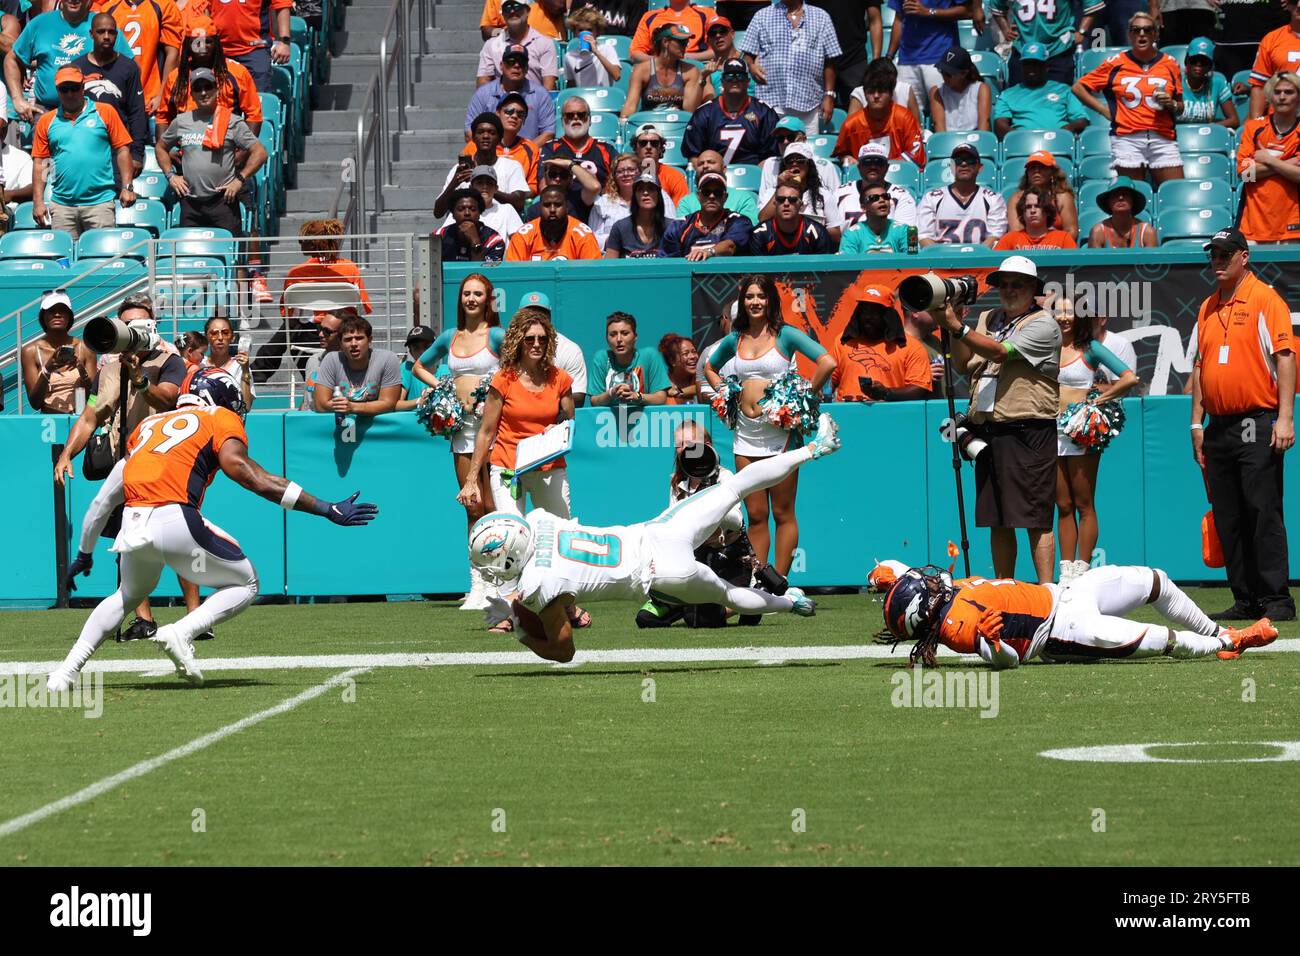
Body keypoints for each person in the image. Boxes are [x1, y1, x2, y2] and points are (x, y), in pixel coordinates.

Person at [50, 369, 378, 692]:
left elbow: (101, 503)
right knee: (247, 582)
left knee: (126, 596)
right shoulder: (218, 417)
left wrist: (84, 553)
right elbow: (250, 476)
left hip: (133, 522)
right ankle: (181, 631)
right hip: (175, 518)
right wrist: (324, 508)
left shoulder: (147, 426)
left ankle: (64, 673)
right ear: (221, 397)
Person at [469, 414, 840, 662]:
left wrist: (518, 623)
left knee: (727, 596)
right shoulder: (538, 519)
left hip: (661, 572)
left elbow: (564, 651)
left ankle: (791, 604)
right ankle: (814, 448)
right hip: (657, 532)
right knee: (737, 485)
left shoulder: (538, 582)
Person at [53, 297, 190, 644]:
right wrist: (68, 453)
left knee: (178, 538)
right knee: (128, 540)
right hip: (126, 463)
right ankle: (144, 620)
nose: (130, 331)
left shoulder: (170, 360)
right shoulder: (110, 368)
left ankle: (195, 615)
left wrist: (141, 378)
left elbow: (169, 400)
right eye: (124, 325)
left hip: (165, 460)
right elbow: (92, 413)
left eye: (137, 324)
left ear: (151, 326)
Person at [931, 255, 1061, 584]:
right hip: (989, 428)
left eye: (1018, 284)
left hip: (1027, 429)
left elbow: (1001, 353)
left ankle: (1048, 593)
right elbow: (964, 364)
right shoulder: (989, 318)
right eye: (1003, 284)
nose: (1009, 290)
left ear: (1034, 288)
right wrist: (953, 327)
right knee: (998, 517)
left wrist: (960, 327)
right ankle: (1004, 588)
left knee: (1035, 517)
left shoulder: (1043, 323)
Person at [880, 563, 1278, 670]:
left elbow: (901, 573)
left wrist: (881, 575)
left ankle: (1217, 632)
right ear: (925, 609)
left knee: (1154, 580)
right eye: (924, 586)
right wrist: (997, 645)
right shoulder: (956, 627)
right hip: (1064, 631)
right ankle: (1231, 642)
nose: (929, 580)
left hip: (1066, 593)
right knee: (1158, 639)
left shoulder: (946, 596)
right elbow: (1008, 661)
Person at [1190, 227, 1296, 622]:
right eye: (1213, 255)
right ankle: (1246, 597)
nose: (1217, 261)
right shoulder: (1206, 307)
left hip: (1257, 419)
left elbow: (1285, 357)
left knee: (1261, 509)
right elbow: (1199, 367)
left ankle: (1276, 600)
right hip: (1218, 424)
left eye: (1225, 254)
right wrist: (1195, 425)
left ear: (1243, 256)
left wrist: (1285, 418)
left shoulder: (1266, 299)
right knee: (1229, 513)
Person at [702, 274, 837, 575]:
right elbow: (709, 367)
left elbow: (828, 362)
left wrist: (805, 395)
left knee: (782, 512)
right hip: (745, 435)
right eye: (749, 296)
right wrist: (725, 391)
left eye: (761, 296)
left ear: (771, 301)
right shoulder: (734, 339)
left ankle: (780, 582)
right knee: (756, 513)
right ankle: (758, 579)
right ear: (742, 302)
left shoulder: (786, 334)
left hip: (780, 433)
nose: (755, 302)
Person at [412, 274, 507, 611]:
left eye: (477, 294)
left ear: (488, 300)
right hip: (461, 428)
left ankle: (500, 584)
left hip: (494, 428)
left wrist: (488, 392)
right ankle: (477, 585)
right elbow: (419, 366)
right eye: (466, 293)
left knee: (496, 506)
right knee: (472, 505)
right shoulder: (450, 336)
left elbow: (513, 371)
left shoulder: (496, 335)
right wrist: (443, 388)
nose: (471, 299)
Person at [1051, 297, 1138, 584]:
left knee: (1084, 503)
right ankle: (1065, 572)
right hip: (1050, 432)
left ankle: (1082, 569)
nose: (1064, 318)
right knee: (1062, 504)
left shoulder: (1090, 349)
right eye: (1058, 312)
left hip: (1080, 432)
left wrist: (1097, 402)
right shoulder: (1046, 348)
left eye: (1069, 312)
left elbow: (1129, 378)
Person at [1073, 11, 1185, 186]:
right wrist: (1103, 110)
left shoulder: (1171, 64)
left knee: (1176, 191)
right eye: (1136, 29)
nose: (1142, 34)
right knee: (1133, 197)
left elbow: (1181, 107)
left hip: (1163, 137)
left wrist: (1171, 104)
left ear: (1155, 34)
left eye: (1147, 30)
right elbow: (1078, 87)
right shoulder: (1115, 63)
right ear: (1129, 34)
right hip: (1127, 138)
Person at [156, 66, 268, 235]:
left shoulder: (231, 121)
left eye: (208, 87)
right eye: (198, 89)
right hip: (190, 203)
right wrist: (171, 176)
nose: (203, 93)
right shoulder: (181, 121)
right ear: (191, 94)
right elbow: (160, 147)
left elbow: (260, 152)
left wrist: (239, 180)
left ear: (217, 90)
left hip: (223, 202)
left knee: (230, 255)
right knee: (190, 256)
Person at [30, 66, 136, 239]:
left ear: (83, 87)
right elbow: (41, 163)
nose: (70, 93)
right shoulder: (46, 121)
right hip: (61, 206)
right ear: (57, 91)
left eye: (74, 88)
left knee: (101, 258)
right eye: (64, 89)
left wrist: (127, 187)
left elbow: (123, 150)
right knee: (63, 260)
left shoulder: (105, 112)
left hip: (100, 204)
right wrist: (38, 201)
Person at [5, 0, 133, 119]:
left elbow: (130, 67)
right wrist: (17, 99)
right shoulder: (40, 24)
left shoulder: (102, 25)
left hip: (94, 116)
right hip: (47, 113)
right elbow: (12, 59)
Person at [740, 0, 841, 134]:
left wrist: (829, 96)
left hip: (809, 102)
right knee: (773, 149)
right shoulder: (762, 16)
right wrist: (751, 67)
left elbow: (830, 60)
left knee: (807, 151)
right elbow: (747, 54)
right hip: (772, 101)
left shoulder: (821, 17)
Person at [155, 17, 263, 138]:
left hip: (226, 148)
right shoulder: (176, 77)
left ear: (216, 43)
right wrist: (166, 150)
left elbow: (254, 115)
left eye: (208, 41)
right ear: (187, 45)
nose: (202, 47)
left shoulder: (237, 72)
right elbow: (163, 118)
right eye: (197, 42)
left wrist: (242, 152)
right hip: (186, 150)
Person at [72, 13, 148, 172]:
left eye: (111, 32)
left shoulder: (129, 68)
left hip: (117, 149)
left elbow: (137, 112)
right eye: (101, 32)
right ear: (91, 34)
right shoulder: (77, 67)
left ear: (116, 34)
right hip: (83, 148)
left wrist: (136, 155)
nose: (106, 36)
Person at [830, 285, 931, 402]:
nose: (868, 316)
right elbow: (829, 381)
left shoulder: (912, 347)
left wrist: (887, 393)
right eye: (864, 310)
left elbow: (919, 388)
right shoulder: (843, 342)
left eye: (875, 312)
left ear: (888, 315)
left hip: (890, 416)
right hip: (847, 415)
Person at [1236, 71, 1300, 245]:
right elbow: (1245, 174)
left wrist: (1269, 160)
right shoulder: (1253, 128)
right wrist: (1288, 164)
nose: (1282, 97)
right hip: (1254, 226)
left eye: (1289, 92)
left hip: (1293, 225)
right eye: (1277, 92)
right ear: (1270, 97)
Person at [681, 58, 780, 165]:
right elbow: (694, 156)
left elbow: (771, 157)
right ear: (722, 81)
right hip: (714, 177)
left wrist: (756, 176)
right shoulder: (705, 113)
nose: (735, 80)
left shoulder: (764, 112)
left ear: (748, 81)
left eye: (740, 76)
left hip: (754, 175)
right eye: (729, 76)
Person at [93, 0, 181, 114]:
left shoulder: (164, 6)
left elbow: (173, 53)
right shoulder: (109, 8)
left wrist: (162, 95)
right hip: (117, 99)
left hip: (151, 99)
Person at [990, 0, 1103, 87]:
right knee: (1019, 98)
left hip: (1057, 48)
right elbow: (995, 5)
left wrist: (1082, 31)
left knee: (1058, 100)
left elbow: (1093, 4)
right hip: (1023, 49)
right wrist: (1005, 29)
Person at [831, 61, 925, 165]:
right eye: (871, 91)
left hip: (899, 177)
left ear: (890, 93)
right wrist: (846, 158)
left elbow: (915, 154)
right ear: (865, 94)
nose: (876, 95)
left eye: (881, 91)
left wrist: (886, 166)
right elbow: (840, 154)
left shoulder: (905, 118)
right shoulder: (851, 125)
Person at [991, 41, 1090, 138]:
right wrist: (1020, 137)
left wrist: (1065, 131)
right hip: (1023, 147)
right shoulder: (1007, 94)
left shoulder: (1064, 90)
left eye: (1036, 64)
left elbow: (1081, 120)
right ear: (1021, 66)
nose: (1031, 68)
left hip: (1058, 144)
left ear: (1047, 66)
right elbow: (1000, 125)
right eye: (1027, 64)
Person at [464, 43, 555, 146]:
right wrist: (496, 153)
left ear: (526, 68)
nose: (516, 66)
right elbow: (469, 132)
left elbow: (548, 133)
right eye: (511, 62)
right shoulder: (483, 94)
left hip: (528, 157)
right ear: (501, 66)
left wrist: (524, 153)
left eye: (521, 62)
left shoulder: (541, 95)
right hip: (490, 157)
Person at [441, 112, 530, 217]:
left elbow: (519, 204)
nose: (486, 136)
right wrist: (453, 184)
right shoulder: (459, 170)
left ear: (500, 138)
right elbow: (438, 212)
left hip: (498, 225)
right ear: (473, 137)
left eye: (492, 132)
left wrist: (486, 187)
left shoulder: (512, 166)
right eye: (480, 132)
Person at [312, 315, 403, 418]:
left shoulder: (387, 359)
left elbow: (388, 404)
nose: (354, 344)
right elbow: (320, 405)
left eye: (359, 338)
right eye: (348, 339)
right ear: (340, 343)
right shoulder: (331, 360)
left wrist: (353, 407)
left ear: (370, 340)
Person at [21, 290, 96, 414]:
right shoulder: (31, 351)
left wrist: (82, 371)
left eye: (62, 311)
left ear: (69, 316)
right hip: (49, 423)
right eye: (51, 311)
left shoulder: (85, 348)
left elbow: (94, 397)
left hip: (80, 419)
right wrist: (48, 370)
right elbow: (35, 403)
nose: (57, 314)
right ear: (43, 317)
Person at [917, 144, 1005, 247]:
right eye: (958, 161)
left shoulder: (993, 199)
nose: (963, 164)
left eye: (970, 160)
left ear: (979, 167)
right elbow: (923, 236)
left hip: (980, 261)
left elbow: (995, 236)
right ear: (951, 167)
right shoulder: (931, 198)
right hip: (942, 260)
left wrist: (973, 259)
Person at [885, 0, 970, 102]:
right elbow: (899, 19)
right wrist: (889, 56)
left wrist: (929, 12)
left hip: (941, 57)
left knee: (944, 114)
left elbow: (967, 11)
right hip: (906, 59)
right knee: (907, 115)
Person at [756, 140, 844, 237]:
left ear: (809, 165)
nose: (794, 164)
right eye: (789, 161)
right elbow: (762, 221)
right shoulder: (772, 192)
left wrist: (809, 229)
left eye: (800, 160)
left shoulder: (824, 195)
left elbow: (836, 234)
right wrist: (780, 186)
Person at [589, 151, 675, 246]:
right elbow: (593, 238)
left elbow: (671, 228)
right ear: (614, 176)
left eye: (631, 169)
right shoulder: (602, 203)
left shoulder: (659, 195)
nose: (626, 174)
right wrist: (613, 239)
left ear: (640, 172)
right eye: (620, 171)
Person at [662, 171, 754, 259]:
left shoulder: (738, 221)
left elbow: (730, 246)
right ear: (698, 196)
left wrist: (709, 252)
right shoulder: (680, 226)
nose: (712, 196)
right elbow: (669, 260)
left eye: (717, 193)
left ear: (725, 197)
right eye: (706, 192)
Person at [589, 311, 672, 407]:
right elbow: (594, 401)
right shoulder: (601, 358)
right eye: (613, 334)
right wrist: (611, 393)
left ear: (635, 337)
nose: (619, 339)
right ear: (606, 338)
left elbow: (661, 397)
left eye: (625, 333)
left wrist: (636, 396)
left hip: (644, 420)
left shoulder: (650, 356)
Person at [541, 94, 617, 195]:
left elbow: (617, 184)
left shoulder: (606, 150)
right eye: (569, 115)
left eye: (581, 115)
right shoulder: (550, 148)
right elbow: (543, 186)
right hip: (562, 206)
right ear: (562, 121)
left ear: (589, 120)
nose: (576, 118)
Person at [622, 22, 703, 115]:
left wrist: (701, 80)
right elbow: (630, 105)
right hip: (649, 125)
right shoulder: (641, 70)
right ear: (665, 42)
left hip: (678, 125)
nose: (685, 46)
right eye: (681, 42)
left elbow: (689, 110)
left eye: (686, 42)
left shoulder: (690, 71)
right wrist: (624, 123)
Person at [209, 0, 291, 92]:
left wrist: (284, 41)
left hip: (255, 50)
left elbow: (282, 4)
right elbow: (200, 6)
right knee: (219, 101)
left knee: (258, 100)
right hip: (219, 50)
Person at [478, 0, 559, 90]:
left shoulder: (545, 44)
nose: (512, 11)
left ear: (527, 11)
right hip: (501, 101)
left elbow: (549, 88)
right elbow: (483, 83)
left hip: (535, 101)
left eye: (517, 6)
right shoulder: (491, 45)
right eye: (507, 8)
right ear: (503, 14)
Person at [507, 184, 603, 260]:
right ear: (539, 207)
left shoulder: (583, 235)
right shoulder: (523, 236)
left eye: (558, 204)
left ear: (567, 207)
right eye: (547, 205)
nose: (552, 209)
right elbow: (512, 275)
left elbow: (593, 276)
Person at [834, 141, 917, 228]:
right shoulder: (840, 193)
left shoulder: (902, 196)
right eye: (867, 162)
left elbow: (906, 234)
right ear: (859, 167)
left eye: (878, 162)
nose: (873, 167)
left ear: (887, 167)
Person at [760, 116, 842, 202]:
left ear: (803, 139)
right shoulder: (770, 165)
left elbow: (837, 201)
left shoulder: (825, 167)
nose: (785, 142)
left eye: (790, 137)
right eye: (780, 139)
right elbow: (762, 203)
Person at [600, 165, 677, 256]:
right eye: (640, 189)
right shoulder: (620, 228)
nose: (645, 193)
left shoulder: (671, 228)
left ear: (659, 195)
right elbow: (610, 266)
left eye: (651, 189)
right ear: (635, 196)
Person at [1004, 150, 1077, 239]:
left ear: (1052, 172)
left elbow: (1071, 231)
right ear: (1027, 173)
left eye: (1042, 167)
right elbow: (1015, 232)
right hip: (1025, 249)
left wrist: (1051, 245)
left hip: (1056, 249)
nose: (1036, 171)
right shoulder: (1016, 198)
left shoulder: (1063, 197)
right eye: (1032, 167)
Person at [676, 149, 761, 224]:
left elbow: (748, 231)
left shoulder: (743, 198)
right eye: (700, 164)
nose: (705, 166)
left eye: (711, 162)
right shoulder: (686, 202)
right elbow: (681, 233)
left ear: (724, 169)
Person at [749, 182, 835, 254]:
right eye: (781, 199)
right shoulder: (759, 234)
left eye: (792, 199)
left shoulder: (818, 232)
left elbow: (825, 271)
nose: (786, 203)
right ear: (775, 203)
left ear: (801, 204)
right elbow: (755, 273)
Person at [1248, 0, 1300, 119]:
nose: (1299, 5)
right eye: (1294, 0)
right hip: (1279, 123)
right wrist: (1255, 124)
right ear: (1286, 3)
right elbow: (1259, 85)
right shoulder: (1271, 39)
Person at [435, 186, 509, 262]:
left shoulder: (494, 240)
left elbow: (484, 272)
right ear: (453, 214)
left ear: (479, 213)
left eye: (473, 209)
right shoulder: (440, 236)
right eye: (461, 209)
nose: (467, 213)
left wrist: (475, 242)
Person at [928, 45, 990, 132]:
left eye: (949, 74)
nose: (944, 76)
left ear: (964, 73)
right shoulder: (936, 91)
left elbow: (984, 126)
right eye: (942, 71)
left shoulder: (981, 89)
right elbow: (939, 129)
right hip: (948, 142)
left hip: (975, 140)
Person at [1178, 36, 1237, 128]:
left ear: (1210, 66)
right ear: (1186, 61)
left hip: (1206, 138)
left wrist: (1210, 128)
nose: (1198, 64)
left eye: (1204, 61)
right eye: (1194, 60)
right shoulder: (1175, 80)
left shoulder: (1217, 83)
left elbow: (1234, 120)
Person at [839, 181, 914, 252]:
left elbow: (914, 262)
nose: (882, 200)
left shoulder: (906, 231)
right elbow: (848, 264)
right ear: (863, 207)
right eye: (874, 198)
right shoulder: (851, 234)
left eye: (885, 196)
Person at [201, 315, 255, 413]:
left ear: (233, 337)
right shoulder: (200, 364)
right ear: (206, 337)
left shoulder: (239, 366)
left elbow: (246, 407)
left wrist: (245, 370)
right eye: (214, 333)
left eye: (225, 333)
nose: (220, 337)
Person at [996, 187, 1078, 250]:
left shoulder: (1063, 239)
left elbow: (1075, 269)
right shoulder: (1009, 239)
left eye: (1037, 206)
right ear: (1022, 213)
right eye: (1028, 207)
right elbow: (991, 268)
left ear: (1047, 211)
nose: (1032, 210)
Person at [1086, 175, 1157, 248]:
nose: (1120, 197)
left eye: (1125, 194)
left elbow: (1153, 259)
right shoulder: (1098, 232)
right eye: (1115, 194)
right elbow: (1095, 259)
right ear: (1108, 202)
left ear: (1133, 200)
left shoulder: (1147, 232)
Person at [457, 164, 525, 239]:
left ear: (496, 188)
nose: (485, 187)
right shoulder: (461, 211)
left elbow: (519, 240)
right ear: (471, 187)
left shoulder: (507, 210)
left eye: (489, 183)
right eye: (479, 183)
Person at [629, 0, 712, 62]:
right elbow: (635, 53)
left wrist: (687, 58)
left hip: (694, 66)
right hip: (657, 69)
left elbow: (716, 51)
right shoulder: (650, 16)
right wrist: (660, 61)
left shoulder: (706, 14)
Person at [627, 123, 689, 206]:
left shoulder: (675, 177)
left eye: (654, 143)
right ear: (635, 147)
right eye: (643, 143)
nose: (648, 147)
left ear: (661, 148)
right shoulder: (627, 176)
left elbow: (682, 213)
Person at [563, 7, 623, 87]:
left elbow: (616, 75)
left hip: (602, 97)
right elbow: (571, 85)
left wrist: (596, 52)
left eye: (589, 30)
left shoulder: (607, 49)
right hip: (581, 97)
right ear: (575, 33)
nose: (585, 34)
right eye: (580, 30)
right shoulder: (569, 56)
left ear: (597, 31)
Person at [301, 309, 346, 412]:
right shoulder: (313, 360)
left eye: (327, 331)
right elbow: (307, 400)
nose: (320, 334)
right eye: (320, 329)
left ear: (342, 335)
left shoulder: (349, 365)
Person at [695, 11, 745, 98]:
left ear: (732, 34)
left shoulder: (749, 60)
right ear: (708, 41)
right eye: (713, 33)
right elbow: (709, 103)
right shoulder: (706, 70)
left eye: (723, 31)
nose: (718, 36)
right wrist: (703, 77)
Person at [0, 113, 34, 222]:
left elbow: (32, 188)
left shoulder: (21, 157)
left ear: (4, 131)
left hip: (5, 212)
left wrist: (8, 194)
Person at [396, 324, 437, 413]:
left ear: (436, 348)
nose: (421, 351)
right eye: (416, 347)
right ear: (410, 352)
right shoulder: (407, 368)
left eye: (426, 346)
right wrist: (419, 401)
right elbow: (396, 404)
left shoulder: (446, 370)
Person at [480, 0, 568, 40]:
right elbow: (486, 30)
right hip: (510, 50)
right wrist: (507, 34)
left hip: (548, 46)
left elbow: (558, 6)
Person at [1150, 0, 1217, 47]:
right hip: (1170, 7)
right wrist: (1154, 5)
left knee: (1203, 53)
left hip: (1202, 7)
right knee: (1170, 54)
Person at [659, 333, 700, 403]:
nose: (692, 356)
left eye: (694, 352)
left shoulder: (701, 376)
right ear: (672, 360)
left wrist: (680, 392)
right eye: (685, 353)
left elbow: (701, 387)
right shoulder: (662, 385)